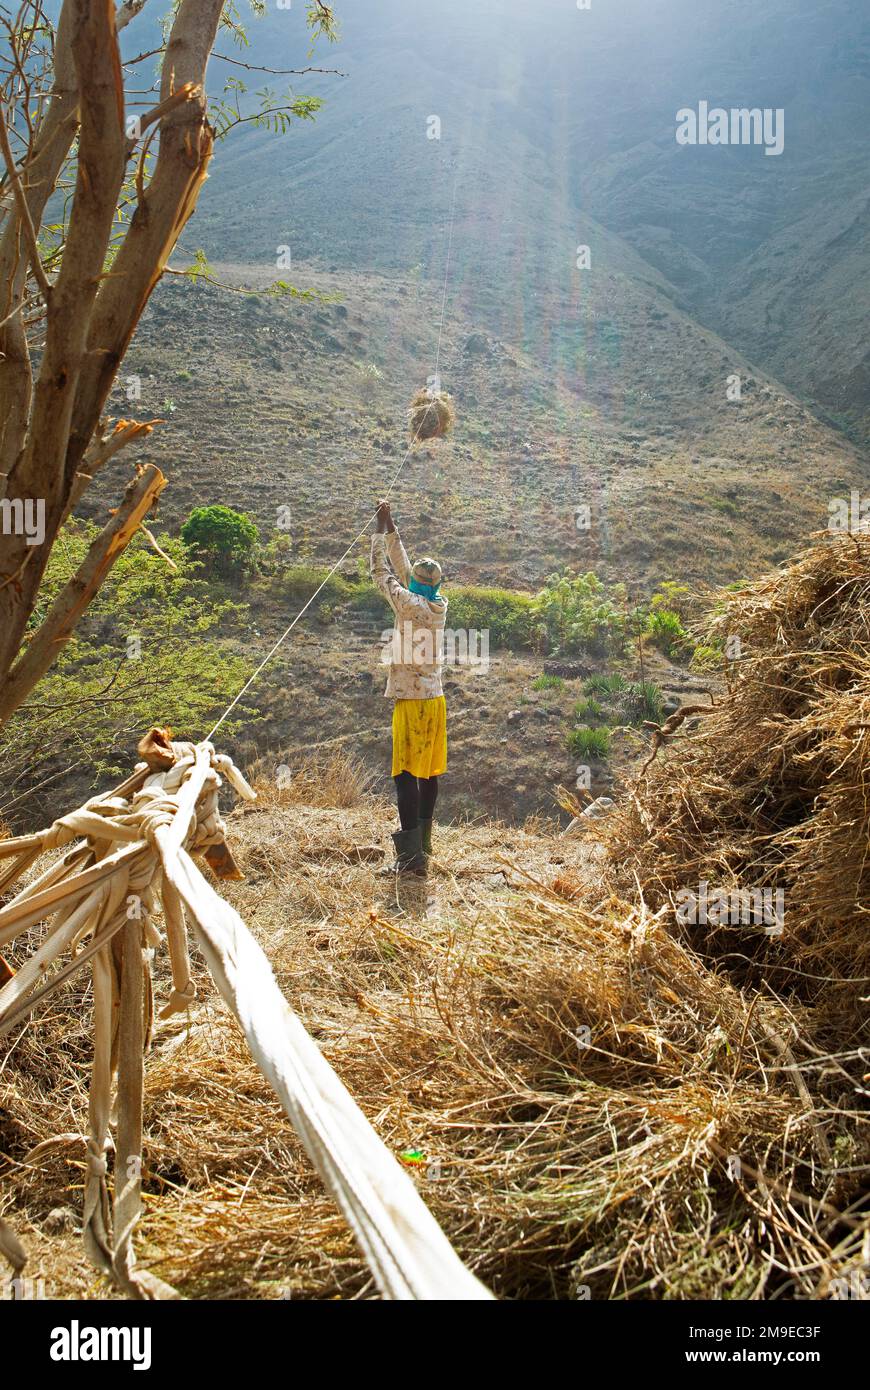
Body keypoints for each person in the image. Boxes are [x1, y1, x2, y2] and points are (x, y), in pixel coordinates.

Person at [370, 499, 447, 875]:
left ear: (416, 584)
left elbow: (380, 573)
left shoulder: (405, 603)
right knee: (429, 774)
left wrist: (374, 534)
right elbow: (404, 569)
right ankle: (425, 847)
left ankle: (411, 860)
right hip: (435, 700)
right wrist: (391, 527)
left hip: (411, 702)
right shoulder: (436, 604)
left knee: (404, 775)